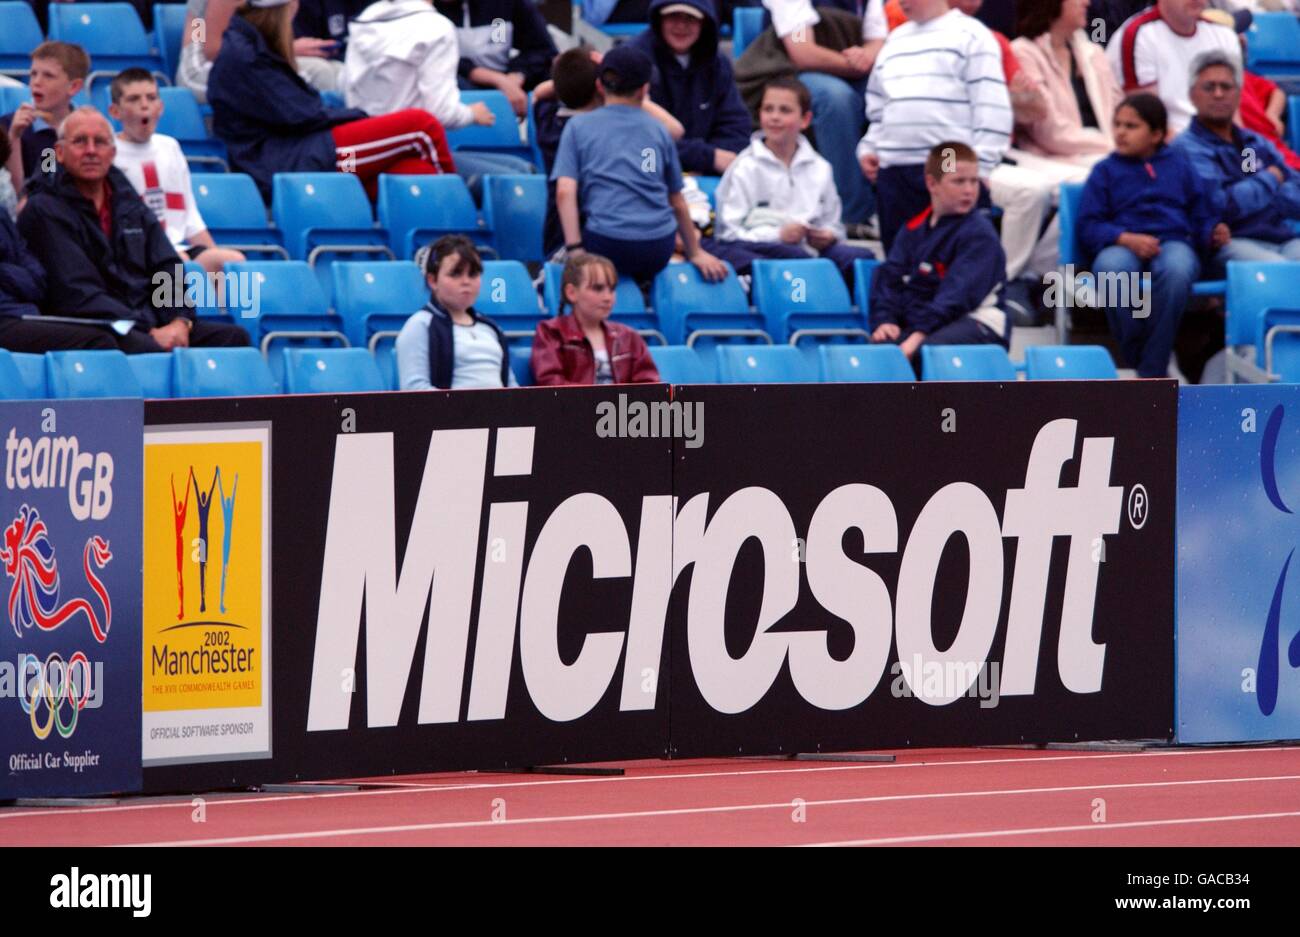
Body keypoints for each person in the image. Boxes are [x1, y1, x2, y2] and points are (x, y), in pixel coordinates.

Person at [17, 108, 252, 353]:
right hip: (95, 327)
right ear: (60, 153)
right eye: (79, 141)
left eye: (99, 142)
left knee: (233, 339)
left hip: (149, 321)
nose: (90, 151)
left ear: (113, 152)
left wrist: (178, 321)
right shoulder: (43, 209)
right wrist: (147, 328)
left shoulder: (129, 203)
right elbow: (77, 292)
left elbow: (166, 266)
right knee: (148, 349)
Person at [208, 0, 456, 201]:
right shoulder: (244, 53)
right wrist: (358, 116)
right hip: (292, 161)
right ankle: (454, 216)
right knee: (421, 125)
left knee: (414, 172)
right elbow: (304, 114)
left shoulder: (252, 45)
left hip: (314, 157)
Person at [552, 44, 727, 282]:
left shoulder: (577, 127)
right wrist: (695, 252)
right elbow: (676, 201)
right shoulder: (659, 130)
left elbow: (565, 192)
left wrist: (575, 250)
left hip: (606, 245)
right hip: (657, 249)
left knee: (553, 270)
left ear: (599, 85)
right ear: (645, 90)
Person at [1078, 93, 1216, 377]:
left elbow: (1201, 212)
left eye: (1131, 126)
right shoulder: (1104, 171)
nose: (1120, 133)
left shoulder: (1180, 166)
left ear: (1156, 134)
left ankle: (1150, 367)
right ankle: (1145, 362)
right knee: (1111, 269)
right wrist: (1125, 238)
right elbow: (1088, 225)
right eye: (1117, 124)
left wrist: (1211, 232)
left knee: (1178, 271)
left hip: (1173, 241)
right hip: (1121, 242)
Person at [856, 0, 1010, 252]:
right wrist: (869, 147)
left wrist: (978, 170)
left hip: (949, 167)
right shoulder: (894, 41)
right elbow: (879, 108)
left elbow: (992, 108)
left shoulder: (972, 35)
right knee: (900, 264)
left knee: (953, 261)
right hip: (894, 170)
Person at [343, 0, 535, 189]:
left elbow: (347, 89)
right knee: (521, 177)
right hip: (409, 152)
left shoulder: (366, 18)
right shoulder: (436, 27)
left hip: (369, 148)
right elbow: (442, 112)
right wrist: (472, 114)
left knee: (520, 168)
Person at [737, 0, 886, 226]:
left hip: (852, 69)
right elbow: (802, 51)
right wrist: (856, 65)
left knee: (896, 92)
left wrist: (866, 55)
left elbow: (876, 39)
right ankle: (853, 215)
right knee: (836, 99)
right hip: (789, 72)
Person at [710, 77, 874, 281]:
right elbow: (727, 233)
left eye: (784, 110)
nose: (774, 117)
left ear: (805, 120)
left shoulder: (820, 168)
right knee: (795, 259)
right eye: (768, 109)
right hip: (763, 248)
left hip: (808, 250)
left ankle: (839, 309)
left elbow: (834, 226)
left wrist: (827, 236)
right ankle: (801, 303)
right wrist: (778, 235)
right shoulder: (745, 166)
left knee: (862, 259)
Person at [534, 47, 685, 257]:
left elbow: (539, 93)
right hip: (588, 238)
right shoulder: (604, 130)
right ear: (601, 89)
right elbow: (675, 130)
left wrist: (571, 74)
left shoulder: (546, 118)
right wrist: (622, 81)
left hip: (564, 235)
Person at [869, 141, 1009, 363]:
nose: (969, 190)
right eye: (959, 181)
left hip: (978, 322)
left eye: (974, 181)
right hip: (927, 323)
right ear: (932, 183)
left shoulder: (980, 235)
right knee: (879, 353)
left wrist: (916, 337)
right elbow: (890, 280)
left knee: (924, 353)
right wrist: (885, 320)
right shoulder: (912, 229)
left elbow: (957, 297)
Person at [109, 69, 246, 275]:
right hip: (135, 252)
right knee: (178, 267)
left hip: (177, 248)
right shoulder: (110, 153)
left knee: (232, 263)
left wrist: (213, 253)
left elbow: (189, 214)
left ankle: (222, 308)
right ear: (115, 111)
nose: (144, 105)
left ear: (160, 107)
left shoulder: (170, 147)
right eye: (134, 99)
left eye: (151, 97)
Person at [1173, 50, 1300, 268]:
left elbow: (1295, 192)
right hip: (1231, 243)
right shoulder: (1186, 148)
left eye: (1226, 87)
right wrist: (1270, 180)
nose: (1219, 94)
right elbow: (1221, 206)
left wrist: (1263, 193)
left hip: (1280, 237)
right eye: (1209, 87)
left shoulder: (1253, 143)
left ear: (1239, 94)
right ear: (1192, 95)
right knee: (1284, 274)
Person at [627, 1, 753, 176]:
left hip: (708, 175)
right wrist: (707, 158)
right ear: (659, 19)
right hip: (648, 173)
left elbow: (736, 127)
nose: (681, 26)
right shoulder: (634, 60)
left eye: (690, 18)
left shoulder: (718, 64)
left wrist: (710, 163)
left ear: (704, 22)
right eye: (673, 17)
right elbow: (636, 139)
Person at [394, 235, 518, 390]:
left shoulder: (491, 328)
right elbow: (414, 389)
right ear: (432, 281)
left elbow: (511, 387)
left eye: (473, 274)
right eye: (456, 274)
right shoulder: (419, 325)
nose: (466, 281)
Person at [1106, 0, 1240, 136]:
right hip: (1169, 149)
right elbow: (1148, 127)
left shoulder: (1225, 36)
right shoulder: (1138, 35)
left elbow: (1234, 118)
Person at [531, 253, 661, 385]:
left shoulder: (629, 336)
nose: (607, 297)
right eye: (598, 288)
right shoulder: (551, 333)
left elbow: (648, 386)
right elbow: (551, 385)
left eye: (612, 289)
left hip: (622, 406)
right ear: (571, 292)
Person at [177, 0, 347, 101]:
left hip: (252, 54)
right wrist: (289, 49)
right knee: (319, 72)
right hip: (202, 64)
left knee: (342, 73)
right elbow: (213, 49)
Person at [433, 0, 558, 115]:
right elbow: (431, 58)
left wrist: (517, 75)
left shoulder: (508, 4)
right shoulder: (425, 9)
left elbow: (543, 49)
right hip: (458, 82)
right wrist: (494, 79)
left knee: (553, 78)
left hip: (509, 78)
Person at [1, 42, 90, 191]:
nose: (36, 82)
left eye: (48, 76)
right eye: (33, 74)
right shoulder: (6, 126)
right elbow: (14, 197)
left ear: (74, 87)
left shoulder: (90, 129)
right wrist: (14, 138)